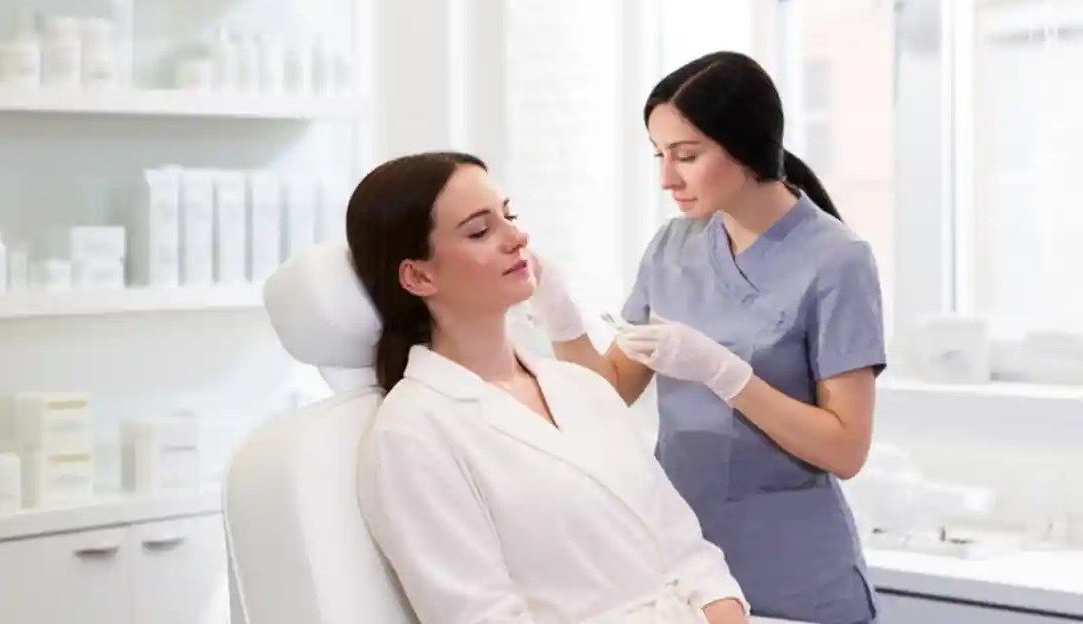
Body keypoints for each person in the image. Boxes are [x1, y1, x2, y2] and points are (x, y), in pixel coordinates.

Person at [530, 51, 886, 624]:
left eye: (687, 156)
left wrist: (726, 374)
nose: (667, 177)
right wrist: (560, 320)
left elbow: (845, 449)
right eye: (660, 155)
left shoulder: (837, 260)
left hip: (793, 575)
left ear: (744, 146)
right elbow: (610, 390)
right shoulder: (674, 248)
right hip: (684, 564)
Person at [350, 151, 748, 624]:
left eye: (509, 216)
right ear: (418, 275)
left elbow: (692, 555)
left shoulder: (583, 388)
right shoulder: (412, 435)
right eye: (480, 231)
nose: (517, 237)